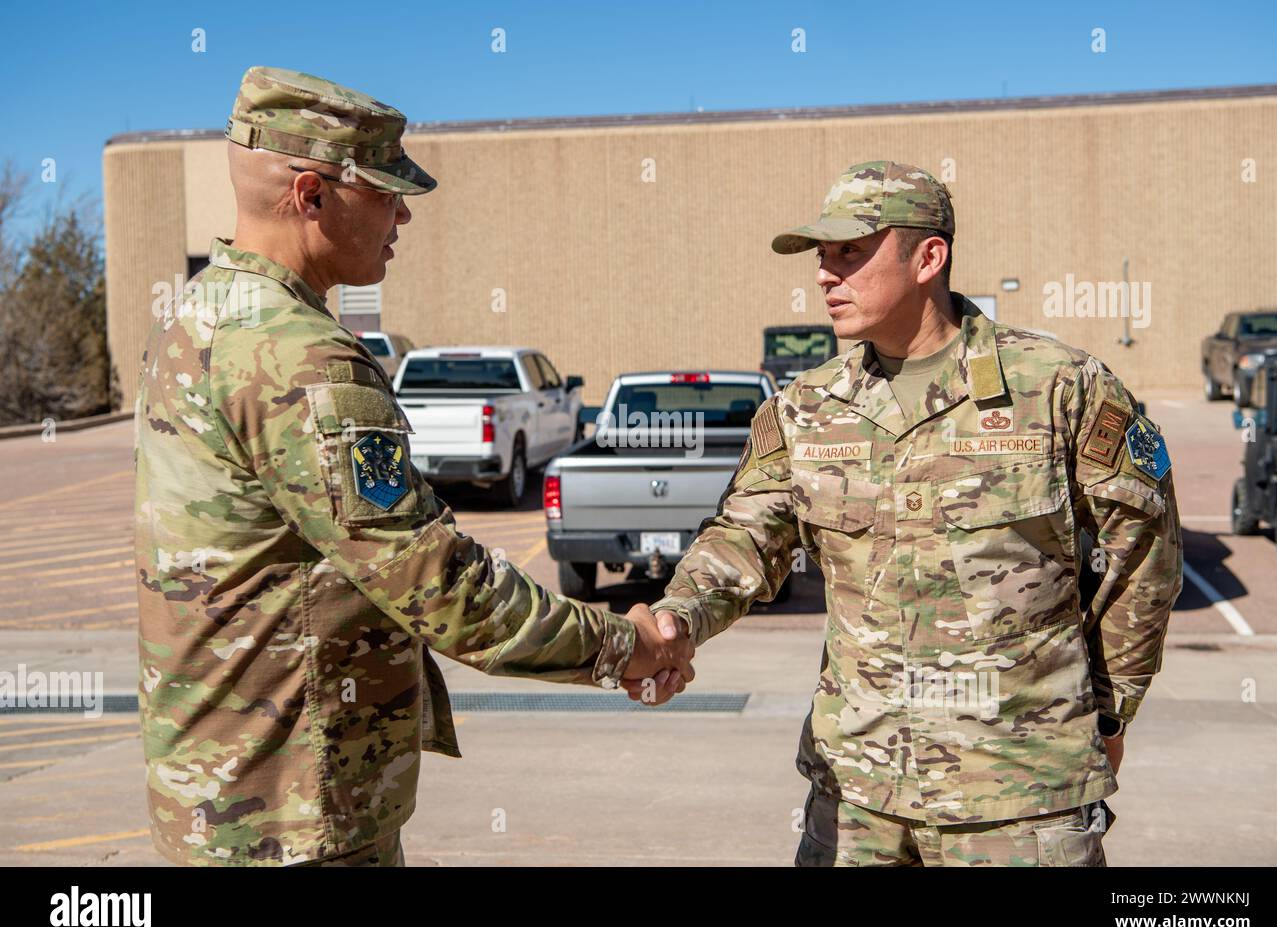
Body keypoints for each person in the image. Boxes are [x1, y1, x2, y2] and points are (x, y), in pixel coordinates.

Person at [134, 66, 690, 867]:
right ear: (312, 195)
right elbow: (439, 586)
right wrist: (621, 645)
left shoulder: (198, 316)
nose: (402, 214)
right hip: (294, 814)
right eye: (386, 191)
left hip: (222, 796)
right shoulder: (300, 357)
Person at [646, 160, 1182, 866]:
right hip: (858, 797)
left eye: (850, 253)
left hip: (1020, 797)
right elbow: (748, 536)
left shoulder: (1057, 388)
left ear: (929, 257)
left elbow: (1143, 552)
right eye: (821, 257)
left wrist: (1111, 708)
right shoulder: (805, 409)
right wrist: (677, 617)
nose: (824, 276)